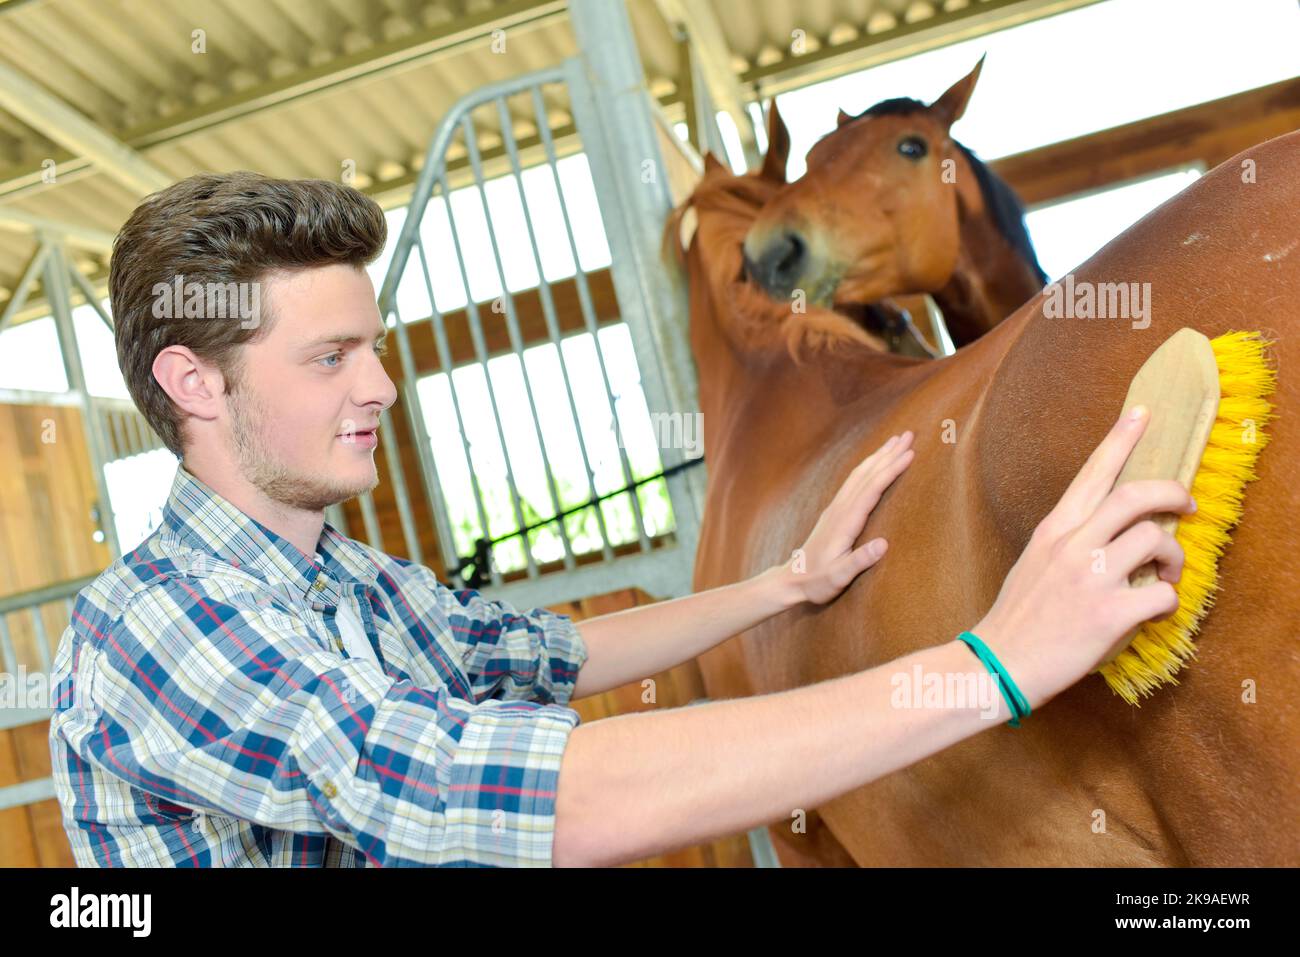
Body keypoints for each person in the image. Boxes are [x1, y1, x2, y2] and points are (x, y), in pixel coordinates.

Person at [49, 172, 1191, 867]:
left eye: (378, 346)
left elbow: (556, 653)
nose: (382, 387)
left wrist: (785, 584)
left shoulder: (348, 580)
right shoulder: (160, 625)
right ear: (197, 384)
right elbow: (522, 795)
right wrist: (994, 665)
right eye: (331, 357)